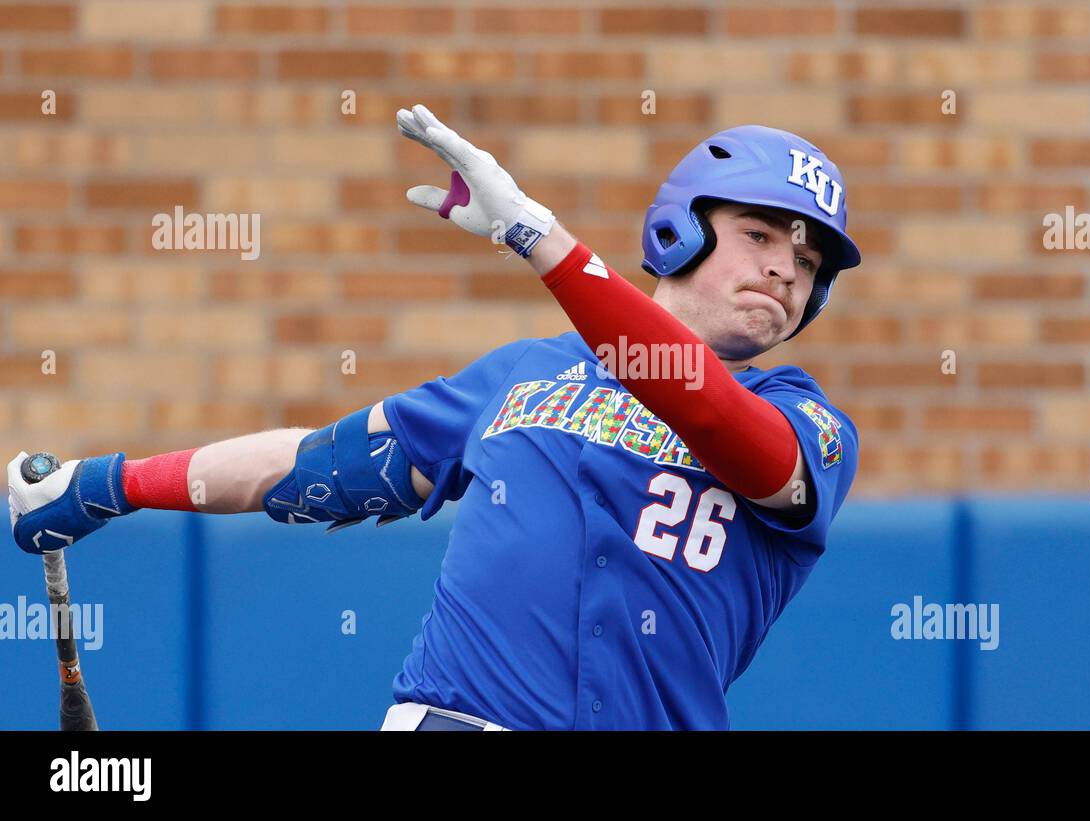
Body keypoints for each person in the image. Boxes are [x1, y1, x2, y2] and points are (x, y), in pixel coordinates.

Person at [8, 105, 861, 731]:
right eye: (761, 233)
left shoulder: (807, 424)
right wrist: (108, 483)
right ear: (682, 230)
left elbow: (705, 409)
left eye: (809, 257)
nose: (788, 268)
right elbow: (310, 465)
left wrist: (538, 236)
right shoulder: (527, 373)